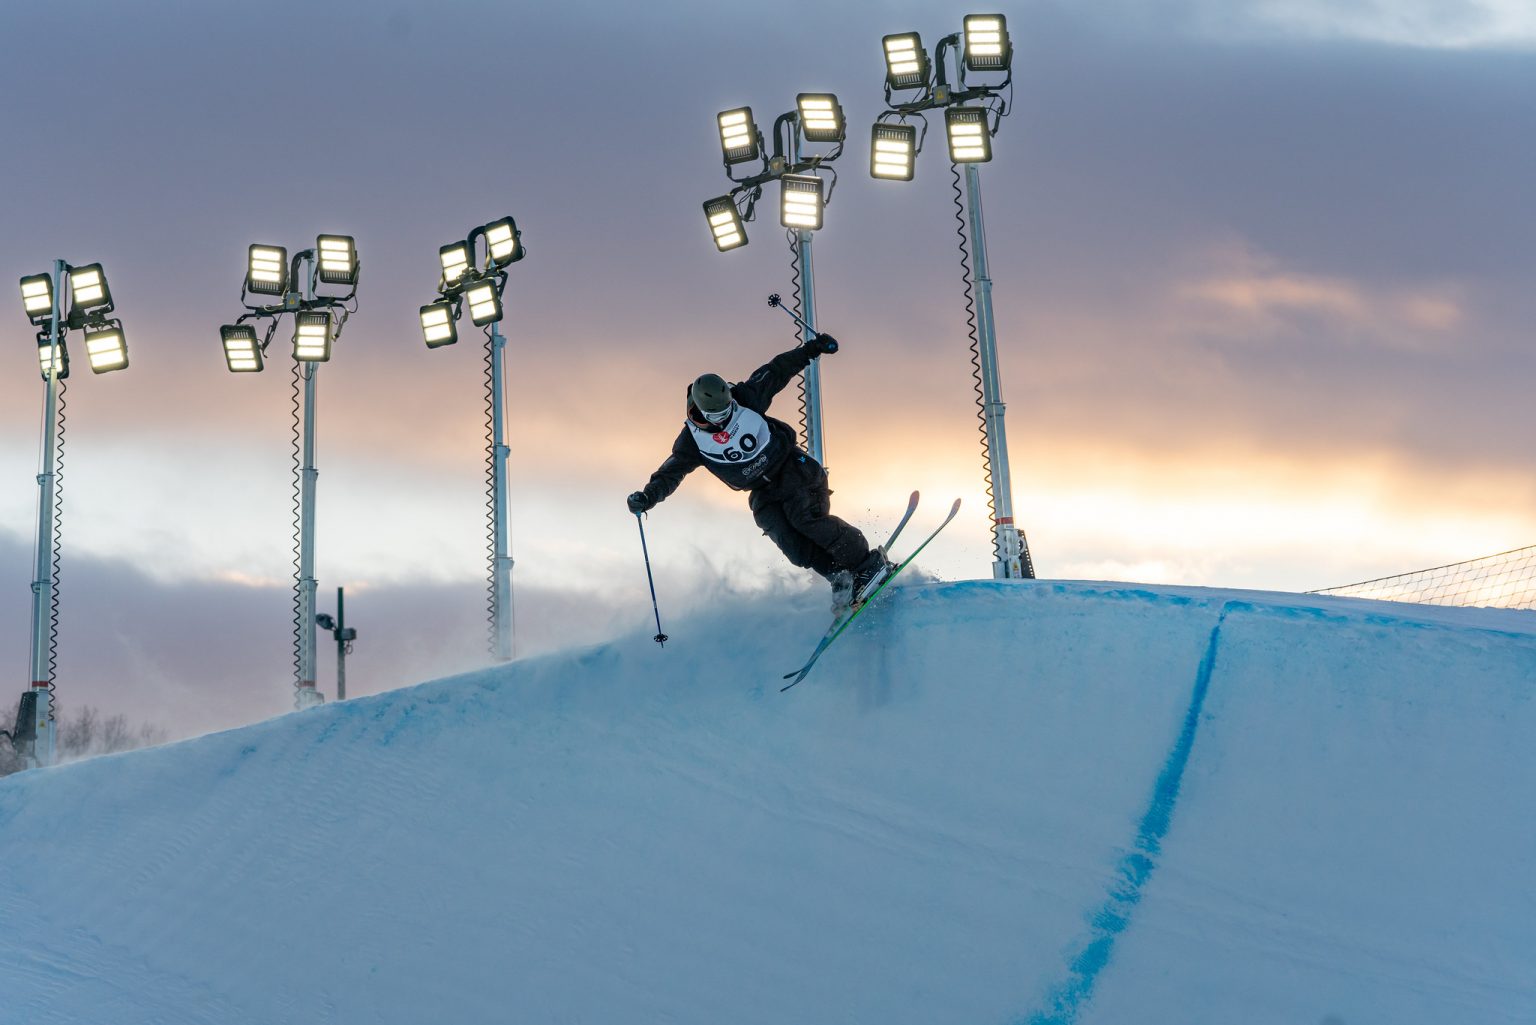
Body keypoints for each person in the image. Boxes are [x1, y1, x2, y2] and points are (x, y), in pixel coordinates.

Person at [627, 334, 893, 608]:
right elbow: (669, 474)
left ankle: (866, 563)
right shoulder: (692, 442)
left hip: (793, 470)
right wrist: (647, 498)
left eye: (727, 411)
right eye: (716, 417)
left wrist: (812, 349)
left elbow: (777, 370)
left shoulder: (745, 399)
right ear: (701, 412)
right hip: (762, 492)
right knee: (793, 548)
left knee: (805, 520)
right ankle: (840, 576)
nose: (724, 420)